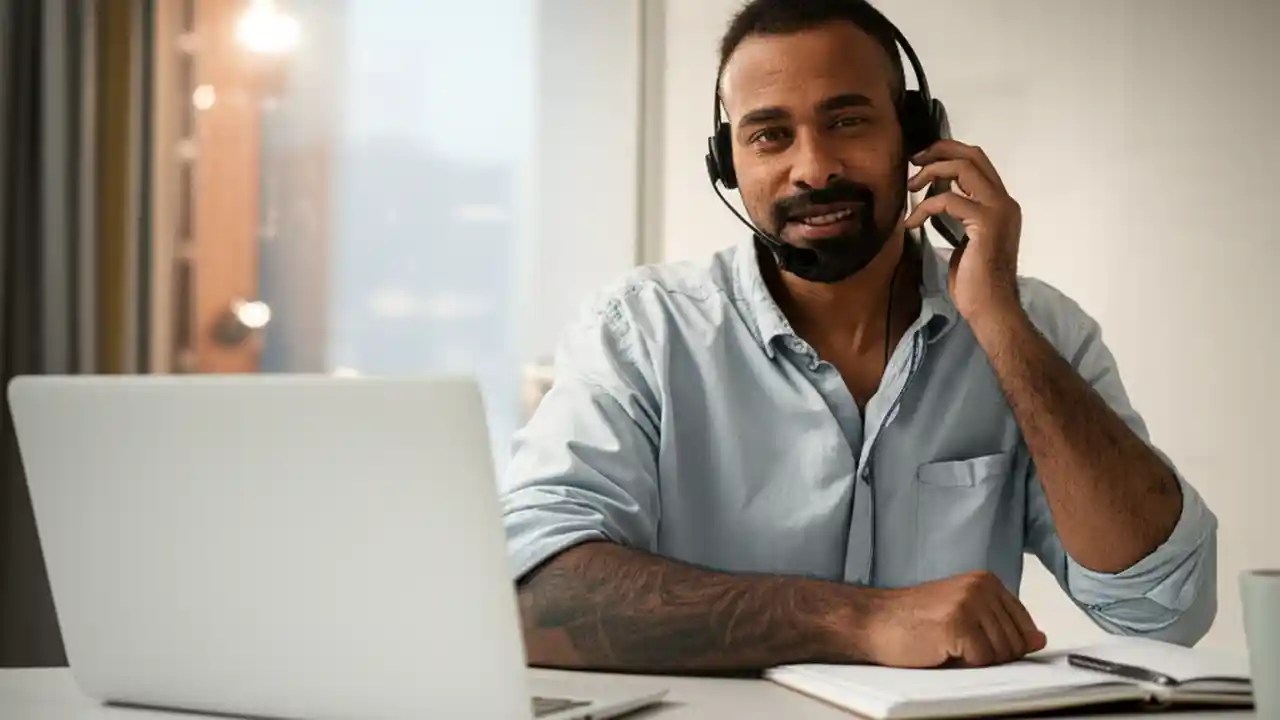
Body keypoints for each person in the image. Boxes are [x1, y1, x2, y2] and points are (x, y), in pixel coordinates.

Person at [501, 0, 1216, 672]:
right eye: (770, 135)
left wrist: (999, 322)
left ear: (916, 137)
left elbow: (1163, 609)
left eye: (847, 121)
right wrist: (860, 621)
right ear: (728, 163)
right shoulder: (640, 333)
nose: (814, 168)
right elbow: (531, 598)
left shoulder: (1037, 330)